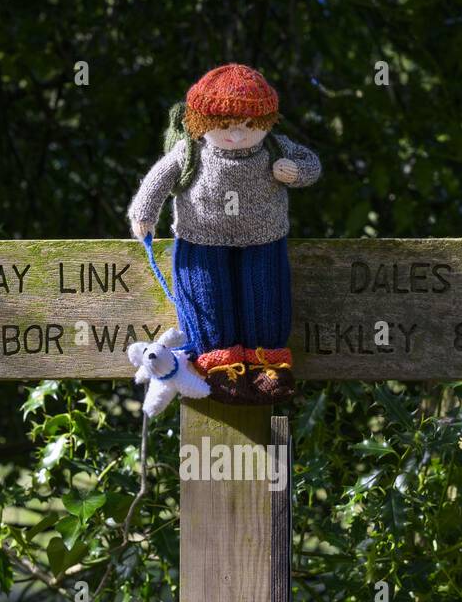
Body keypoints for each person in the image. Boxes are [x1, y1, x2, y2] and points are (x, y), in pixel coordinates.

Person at [128, 64, 321, 404]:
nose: (236, 134)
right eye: (225, 125)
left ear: (265, 121)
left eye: (248, 125)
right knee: (208, 298)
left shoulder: (275, 148)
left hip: (264, 240)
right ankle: (221, 368)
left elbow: (312, 165)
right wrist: (144, 213)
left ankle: (267, 365)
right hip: (201, 240)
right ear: (202, 121)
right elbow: (160, 177)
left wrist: (294, 172)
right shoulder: (190, 151)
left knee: (267, 295)